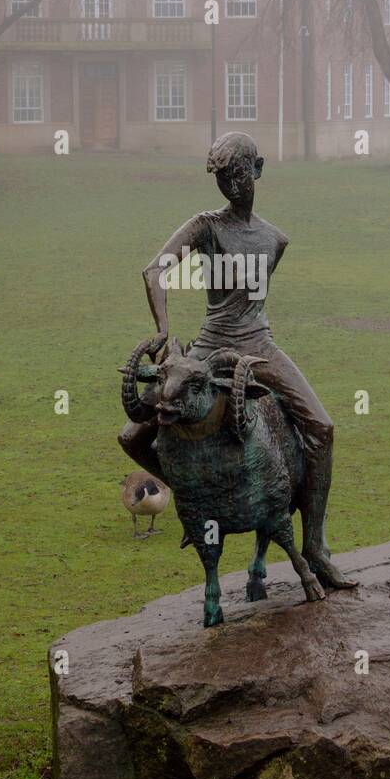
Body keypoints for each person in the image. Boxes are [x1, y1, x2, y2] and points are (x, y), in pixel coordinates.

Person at [118, 130, 348, 588]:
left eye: (238, 174)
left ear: (258, 169)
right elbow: (155, 270)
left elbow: (252, 306)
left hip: (260, 348)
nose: (230, 185)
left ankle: (315, 548)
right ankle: (196, 497)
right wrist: (163, 328)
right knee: (133, 436)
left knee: (321, 429)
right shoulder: (206, 226)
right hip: (209, 349)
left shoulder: (275, 239)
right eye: (222, 178)